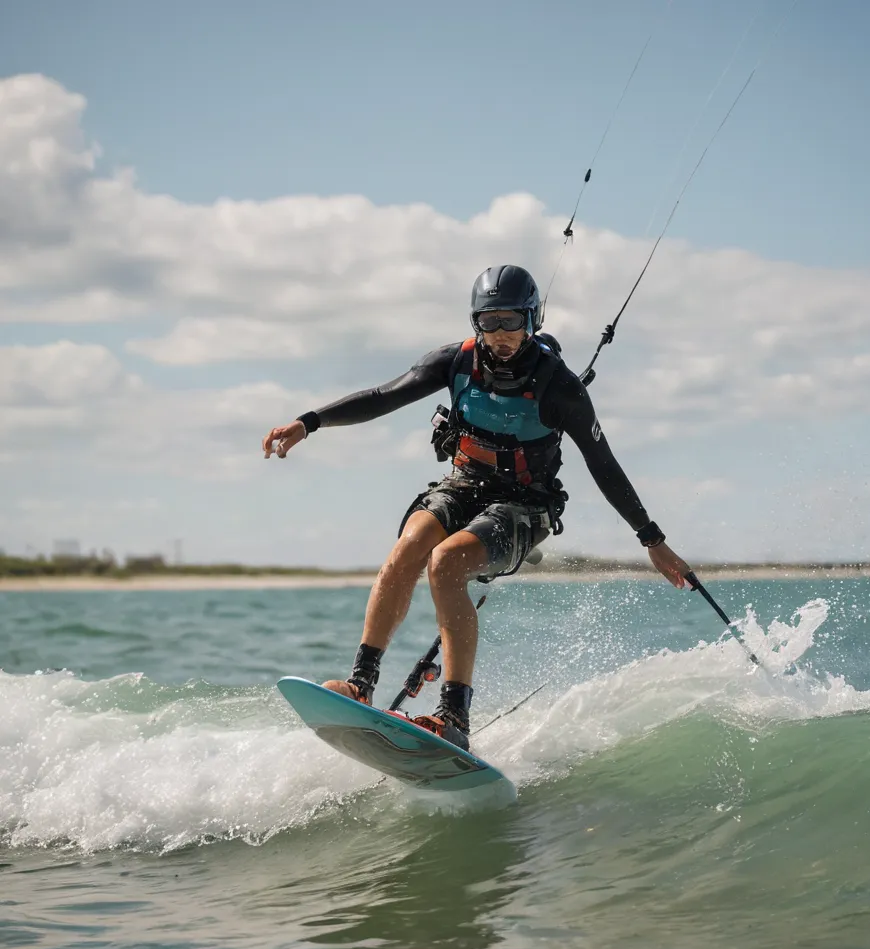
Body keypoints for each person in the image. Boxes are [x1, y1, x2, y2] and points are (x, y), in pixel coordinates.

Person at [262, 265, 692, 751]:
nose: (501, 335)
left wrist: (652, 541)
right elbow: (384, 396)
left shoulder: (560, 387)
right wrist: (309, 422)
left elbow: (604, 465)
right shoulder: (456, 363)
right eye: (489, 322)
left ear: (531, 320)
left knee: (445, 564)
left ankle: (454, 716)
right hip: (464, 483)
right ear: (475, 323)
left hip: (526, 506)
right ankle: (360, 684)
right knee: (409, 549)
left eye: (512, 322)